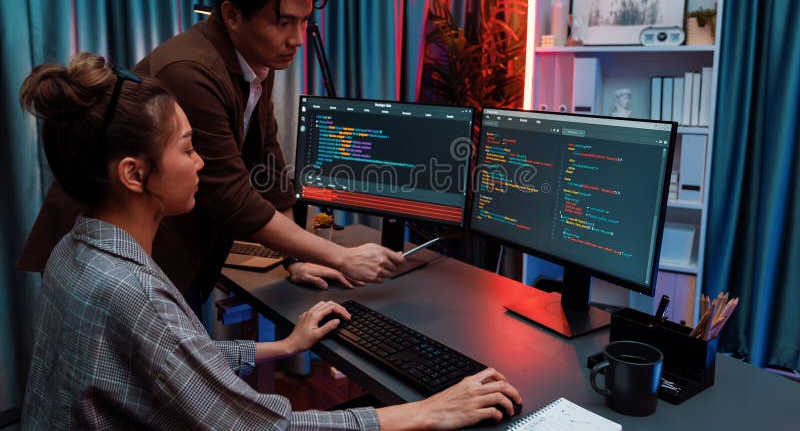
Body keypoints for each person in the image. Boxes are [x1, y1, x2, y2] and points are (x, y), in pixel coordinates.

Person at [19, 53, 522, 428]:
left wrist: (281, 346)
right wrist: (426, 412)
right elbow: (263, 427)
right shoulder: (134, 293)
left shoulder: (76, 251)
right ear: (135, 174)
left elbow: (174, 362)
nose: (201, 164)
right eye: (188, 148)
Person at [16, 0, 403, 309]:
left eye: (304, 23)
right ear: (232, 14)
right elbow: (232, 197)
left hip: (158, 251)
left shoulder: (256, 60)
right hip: (110, 258)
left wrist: (297, 257)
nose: (298, 39)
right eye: (284, 22)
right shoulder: (190, 72)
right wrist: (340, 256)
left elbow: (266, 158)